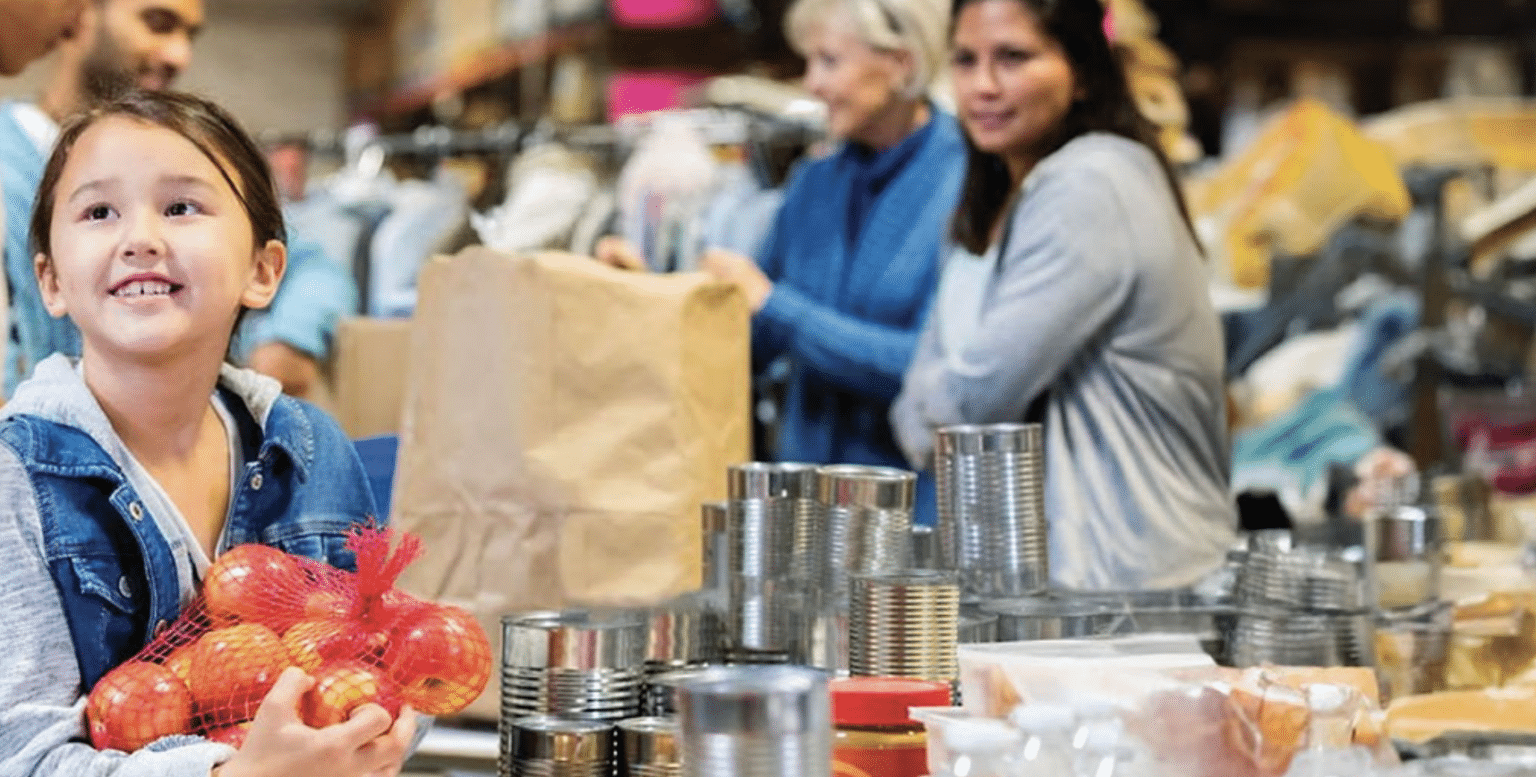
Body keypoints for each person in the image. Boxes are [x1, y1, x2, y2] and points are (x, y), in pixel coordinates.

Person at [0, 90, 414, 776]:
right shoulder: (18, 479)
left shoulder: (311, 451)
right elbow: (22, 755)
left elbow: (371, 661)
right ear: (50, 280)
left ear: (263, 270)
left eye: (181, 207)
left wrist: (379, 728)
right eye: (99, 211)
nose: (141, 238)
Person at [891, 0, 1235, 588]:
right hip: (1066, 593)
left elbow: (973, 403)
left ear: (1081, 72)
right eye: (966, 61)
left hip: (1132, 591)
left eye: (1014, 58)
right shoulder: (999, 197)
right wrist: (937, 407)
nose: (984, 86)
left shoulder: (1090, 181)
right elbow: (924, 406)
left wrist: (935, 407)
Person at [601, 0, 965, 522]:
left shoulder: (967, 181)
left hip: (911, 527)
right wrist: (654, 297)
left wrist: (775, 305)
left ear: (901, 65)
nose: (811, 84)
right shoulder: (814, 184)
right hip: (806, 522)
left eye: (829, 62)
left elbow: (933, 373)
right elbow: (750, 343)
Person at [0, 0, 356, 399]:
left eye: (179, 209)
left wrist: (289, 338)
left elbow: (310, 265)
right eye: (156, 23)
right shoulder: (8, 170)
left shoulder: (187, 159)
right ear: (80, 13)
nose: (179, 55)